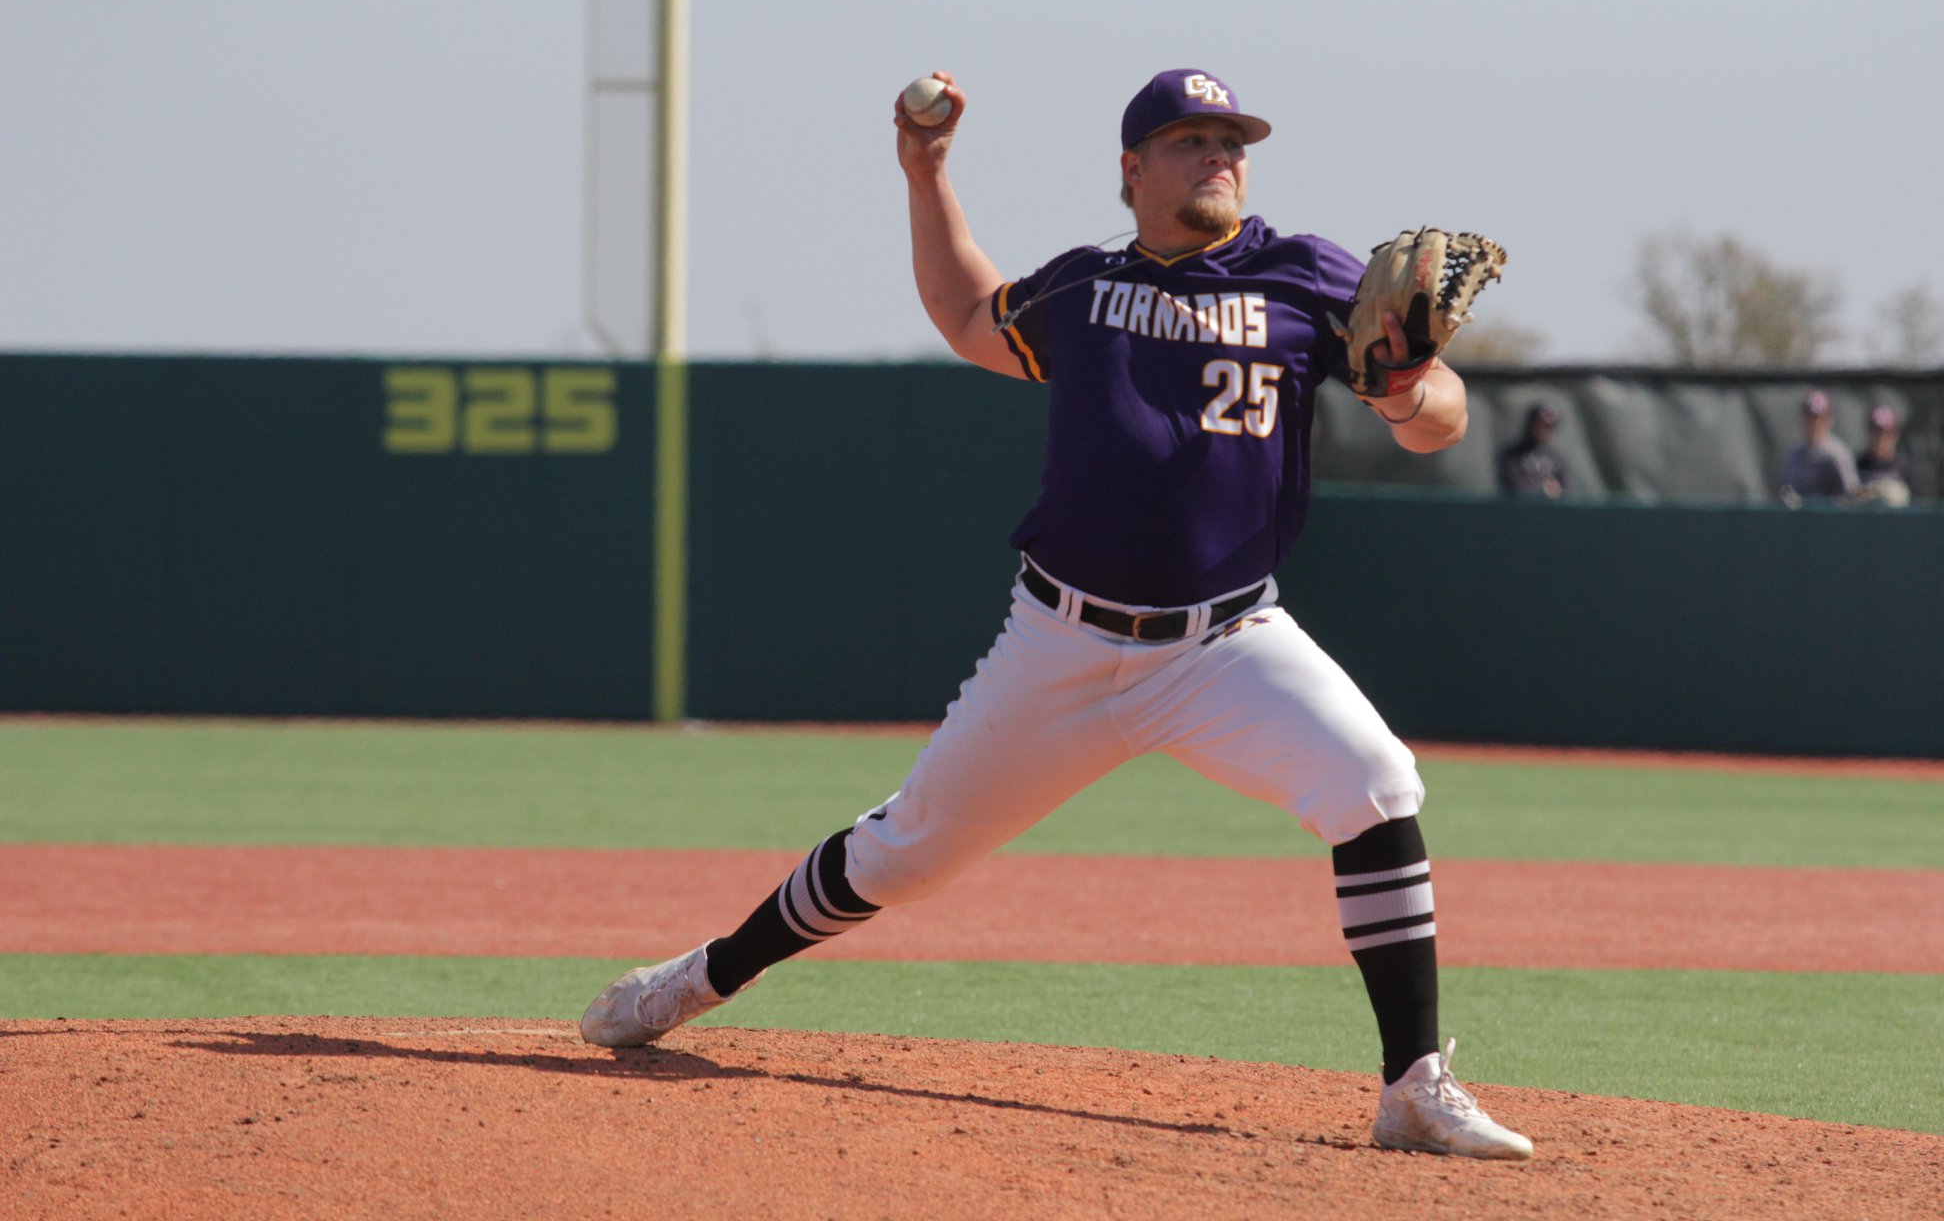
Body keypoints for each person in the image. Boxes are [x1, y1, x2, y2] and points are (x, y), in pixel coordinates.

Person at [580, 68, 1533, 1161]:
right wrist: (925, 172)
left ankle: (1412, 1087)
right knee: (906, 854)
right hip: (1062, 642)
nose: (1219, 154)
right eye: (1189, 138)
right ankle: (694, 980)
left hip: (1228, 643)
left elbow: (1438, 422)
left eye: (1232, 138)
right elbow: (965, 314)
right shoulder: (1083, 290)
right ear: (1133, 170)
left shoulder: (1303, 274)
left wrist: (1408, 382)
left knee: (1375, 782)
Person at [1778, 389, 1860, 503]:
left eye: (1821, 418)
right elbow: (1785, 494)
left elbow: (1852, 497)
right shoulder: (1794, 455)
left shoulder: (1837, 455)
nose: (1815, 424)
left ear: (1829, 420)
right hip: (1799, 518)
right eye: (1810, 417)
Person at [1497, 402, 1569, 499]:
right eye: (1540, 426)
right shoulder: (1511, 456)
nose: (1544, 431)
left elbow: (1566, 490)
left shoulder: (1556, 458)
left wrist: (1557, 491)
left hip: (1550, 512)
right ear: (1530, 424)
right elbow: (1514, 488)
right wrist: (1543, 490)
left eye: (1548, 427)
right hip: (1520, 511)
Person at [1855, 404, 1913, 507]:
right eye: (1876, 432)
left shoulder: (1904, 468)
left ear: (1895, 435)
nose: (1881, 439)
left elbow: (1917, 506)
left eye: (1887, 434)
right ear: (1869, 433)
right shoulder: (1857, 465)